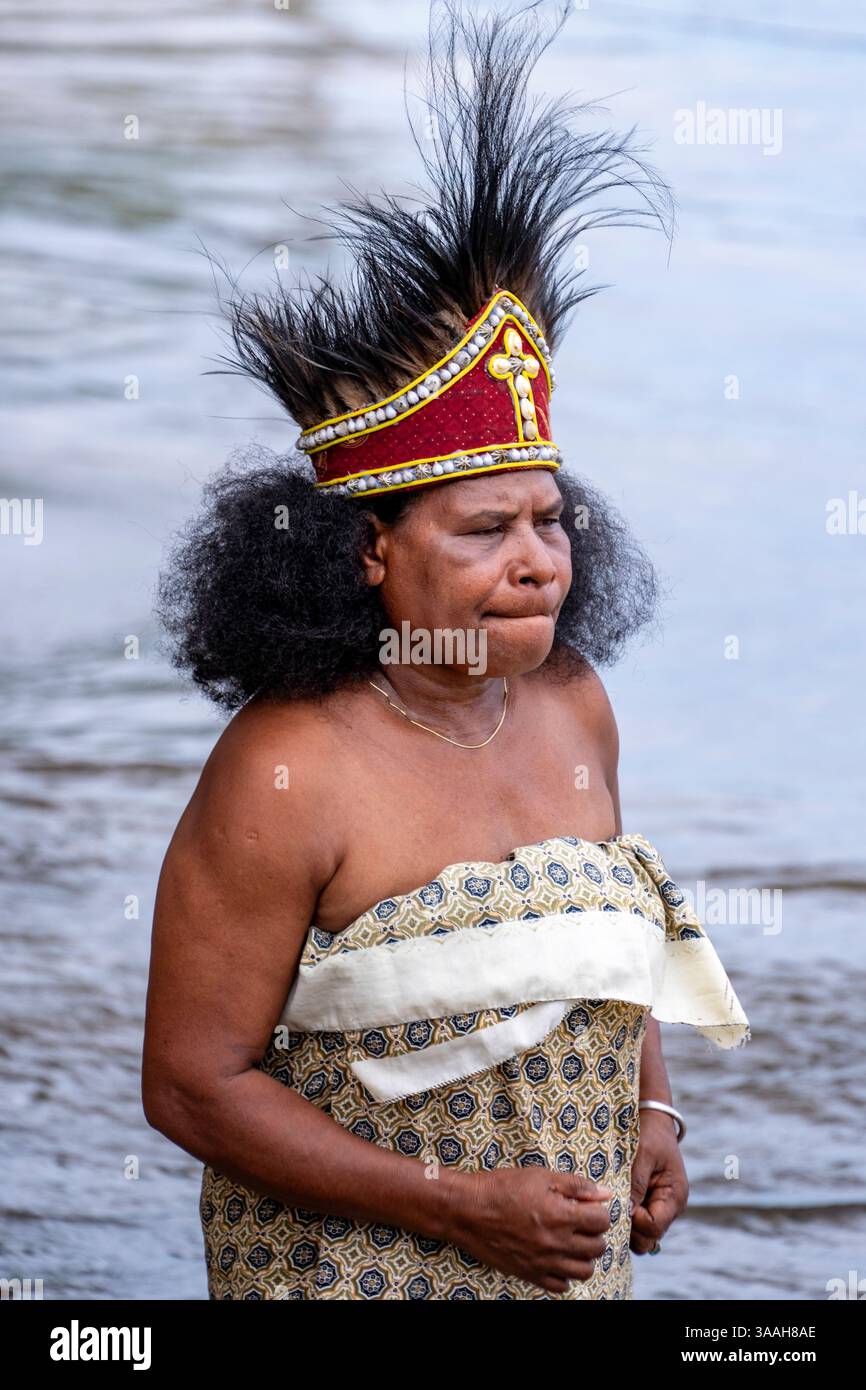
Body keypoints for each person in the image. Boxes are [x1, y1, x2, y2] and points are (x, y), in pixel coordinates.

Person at [142, 0, 750, 1300]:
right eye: (484, 528)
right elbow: (193, 1084)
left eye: (548, 517)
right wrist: (456, 1208)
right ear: (366, 553)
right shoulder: (283, 767)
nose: (537, 556)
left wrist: (651, 1111)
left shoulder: (572, 703)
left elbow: (612, 939)